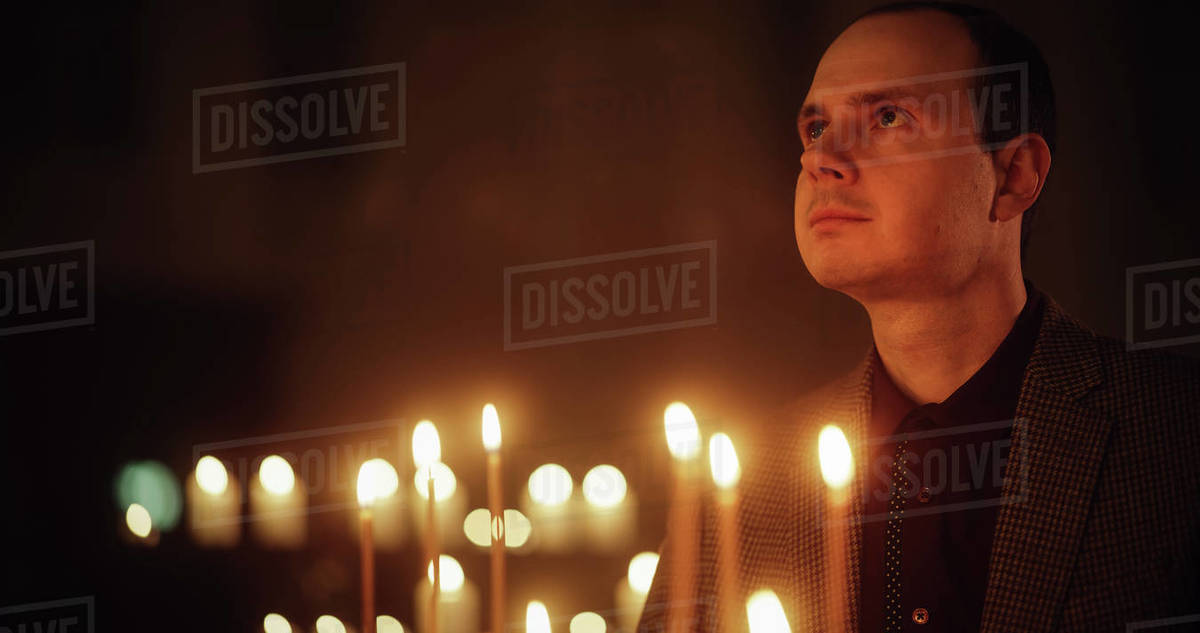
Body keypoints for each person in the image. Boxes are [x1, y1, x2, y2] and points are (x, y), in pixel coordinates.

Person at [637, 2, 1200, 631]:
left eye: (887, 117)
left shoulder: (1177, 436)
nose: (820, 160)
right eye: (817, 128)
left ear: (1015, 175)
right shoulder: (739, 489)